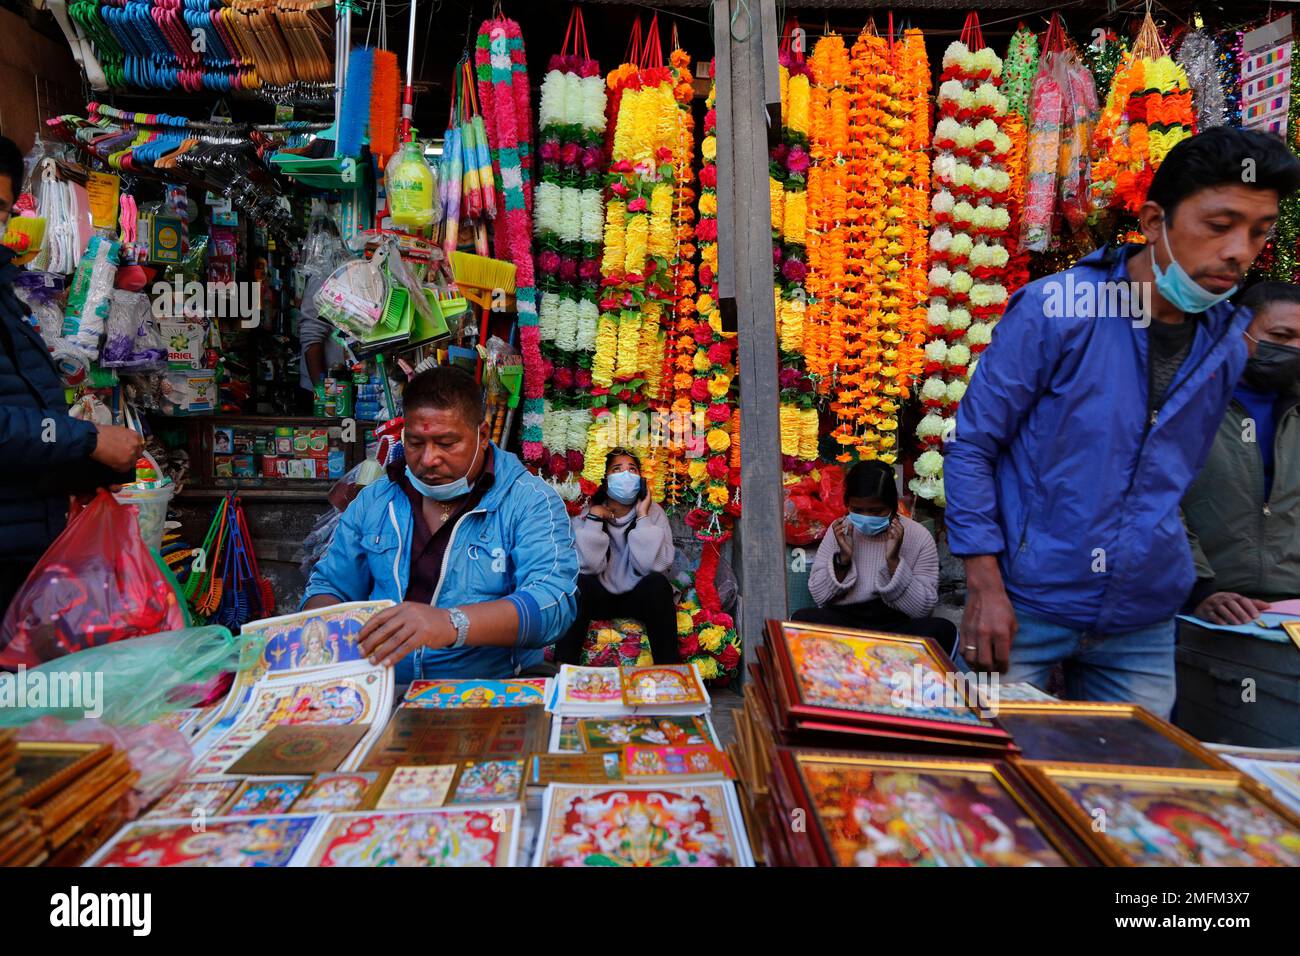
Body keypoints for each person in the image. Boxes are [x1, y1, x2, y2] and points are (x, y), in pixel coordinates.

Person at [945, 127, 1300, 717]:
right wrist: (983, 584)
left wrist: (1194, 581)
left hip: (1143, 621)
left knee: (1129, 786)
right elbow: (973, 447)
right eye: (1220, 225)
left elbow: (1174, 478)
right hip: (1026, 604)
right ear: (1155, 220)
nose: (1240, 251)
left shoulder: (1228, 344)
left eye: (1259, 233)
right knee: (984, 781)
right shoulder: (1057, 310)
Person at [302, 365, 578, 679]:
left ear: (483, 435)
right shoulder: (375, 501)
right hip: (383, 686)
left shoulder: (527, 500)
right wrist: (318, 633)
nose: (429, 459)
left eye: (447, 444)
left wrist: (452, 623)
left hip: (487, 689)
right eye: (416, 443)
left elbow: (553, 603)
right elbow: (330, 587)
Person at [0, 134, 144, 615]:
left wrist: (81, 467)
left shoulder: (6, 298)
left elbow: (24, 414)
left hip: (26, 543)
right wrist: (86, 440)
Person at [1183, 281, 1300, 624]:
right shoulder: (1187, 402)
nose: (1295, 349)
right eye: (1281, 335)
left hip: (1289, 614)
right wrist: (1200, 588)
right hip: (1195, 609)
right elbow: (1156, 502)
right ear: (1236, 330)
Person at [796, 461, 956, 654]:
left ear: (892, 506)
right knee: (802, 620)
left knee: (942, 630)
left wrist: (894, 562)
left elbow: (923, 609)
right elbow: (819, 596)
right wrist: (843, 560)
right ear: (847, 505)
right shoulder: (840, 529)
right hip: (846, 622)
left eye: (876, 511)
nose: (866, 517)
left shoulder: (919, 535)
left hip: (897, 625)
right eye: (857, 510)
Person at [555, 448, 678, 665]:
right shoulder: (586, 513)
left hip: (638, 596)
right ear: (605, 479)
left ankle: (669, 670)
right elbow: (588, 566)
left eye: (632, 470)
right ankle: (563, 670)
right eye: (617, 469)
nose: (626, 475)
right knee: (578, 584)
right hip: (600, 598)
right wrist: (594, 519)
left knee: (658, 584)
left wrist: (642, 516)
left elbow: (653, 567)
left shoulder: (654, 513)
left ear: (640, 479)